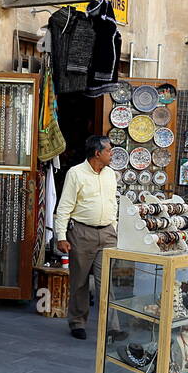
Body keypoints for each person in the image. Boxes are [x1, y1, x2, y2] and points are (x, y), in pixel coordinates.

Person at [54, 135, 118, 340]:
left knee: (105, 281)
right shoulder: (76, 173)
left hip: (107, 233)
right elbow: (65, 206)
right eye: (109, 150)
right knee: (79, 281)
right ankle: (77, 322)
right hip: (82, 232)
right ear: (97, 153)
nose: (112, 154)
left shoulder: (110, 174)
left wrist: (114, 227)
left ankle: (112, 327)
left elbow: (113, 202)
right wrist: (61, 236)